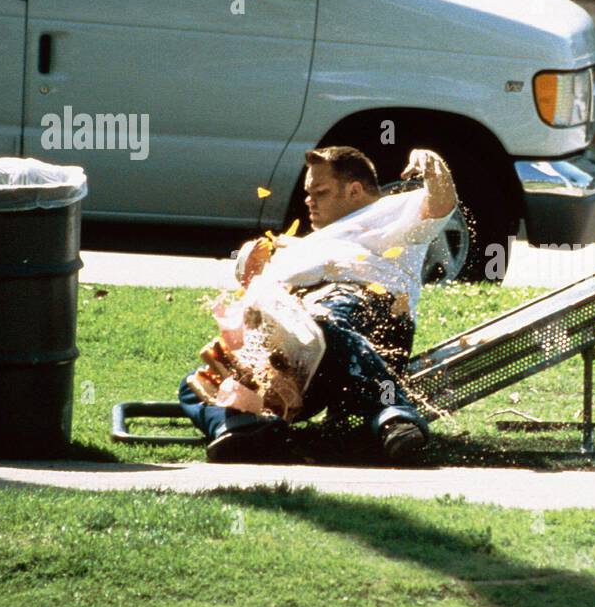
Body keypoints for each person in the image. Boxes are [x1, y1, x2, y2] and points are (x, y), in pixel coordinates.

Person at [178, 145, 459, 464]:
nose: (309, 201)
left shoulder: (390, 213)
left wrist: (432, 163)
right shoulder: (311, 242)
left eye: (320, 192)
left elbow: (441, 204)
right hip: (295, 350)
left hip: (365, 313)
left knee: (322, 321)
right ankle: (246, 431)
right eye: (308, 193)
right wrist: (254, 270)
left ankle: (396, 416)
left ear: (354, 190)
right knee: (198, 381)